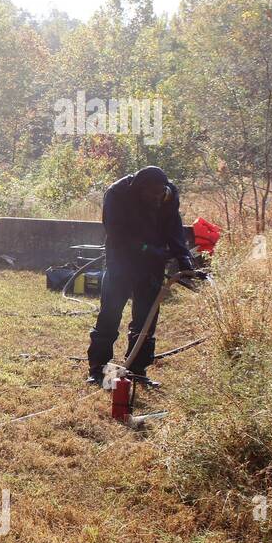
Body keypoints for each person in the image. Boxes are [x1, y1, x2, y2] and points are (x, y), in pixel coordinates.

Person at [87, 166, 194, 387]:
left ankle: (137, 368)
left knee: (146, 318)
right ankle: (99, 369)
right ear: (139, 189)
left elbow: (174, 228)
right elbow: (116, 233)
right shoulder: (117, 194)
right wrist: (147, 248)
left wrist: (183, 258)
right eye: (151, 194)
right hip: (121, 259)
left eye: (160, 193)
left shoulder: (168, 195)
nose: (157, 199)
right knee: (111, 312)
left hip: (152, 264)